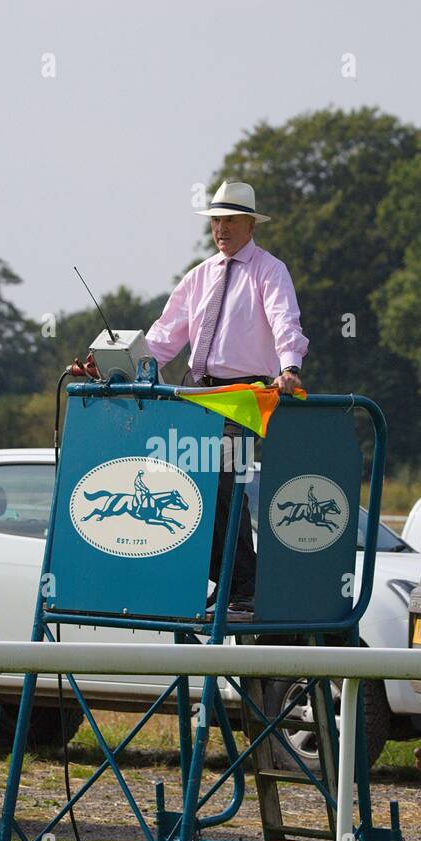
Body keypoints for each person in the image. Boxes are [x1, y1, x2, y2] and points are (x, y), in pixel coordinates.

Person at [145, 180, 308, 613]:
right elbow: (164, 336)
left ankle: (243, 586)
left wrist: (289, 366)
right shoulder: (199, 276)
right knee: (191, 486)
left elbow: (283, 319)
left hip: (244, 393)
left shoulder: (269, 270)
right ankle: (230, 583)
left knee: (220, 482)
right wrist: (125, 365)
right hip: (199, 393)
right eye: (216, 220)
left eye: (231, 220)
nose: (222, 228)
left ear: (250, 225)